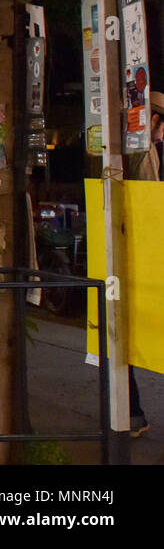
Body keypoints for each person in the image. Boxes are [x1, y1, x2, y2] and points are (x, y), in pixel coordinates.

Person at [125, 89, 163, 438]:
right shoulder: (145, 152)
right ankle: (132, 414)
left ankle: (132, 415)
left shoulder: (138, 151)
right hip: (146, 256)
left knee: (124, 338)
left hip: (139, 255)